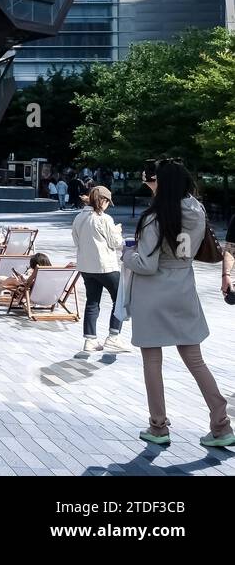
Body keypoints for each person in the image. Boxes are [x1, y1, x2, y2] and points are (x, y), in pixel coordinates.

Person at [127, 160, 233, 448]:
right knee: (195, 360)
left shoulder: (155, 217)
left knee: (152, 360)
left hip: (152, 295)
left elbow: (146, 265)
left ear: (160, 183)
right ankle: (222, 425)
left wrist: (125, 254)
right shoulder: (196, 211)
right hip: (183, 288)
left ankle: (158, 427)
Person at [71, 183, 126, 354]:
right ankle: (113, 337)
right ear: (102, 201)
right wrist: (117, 231)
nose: (108, 205)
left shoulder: (79, 217)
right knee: (121, 299)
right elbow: (116, 243)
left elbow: (76, 240)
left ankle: (90, 340)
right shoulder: (104, 219)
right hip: (105, 266)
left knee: (92, 301)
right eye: (108, 202)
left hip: (86, 267)